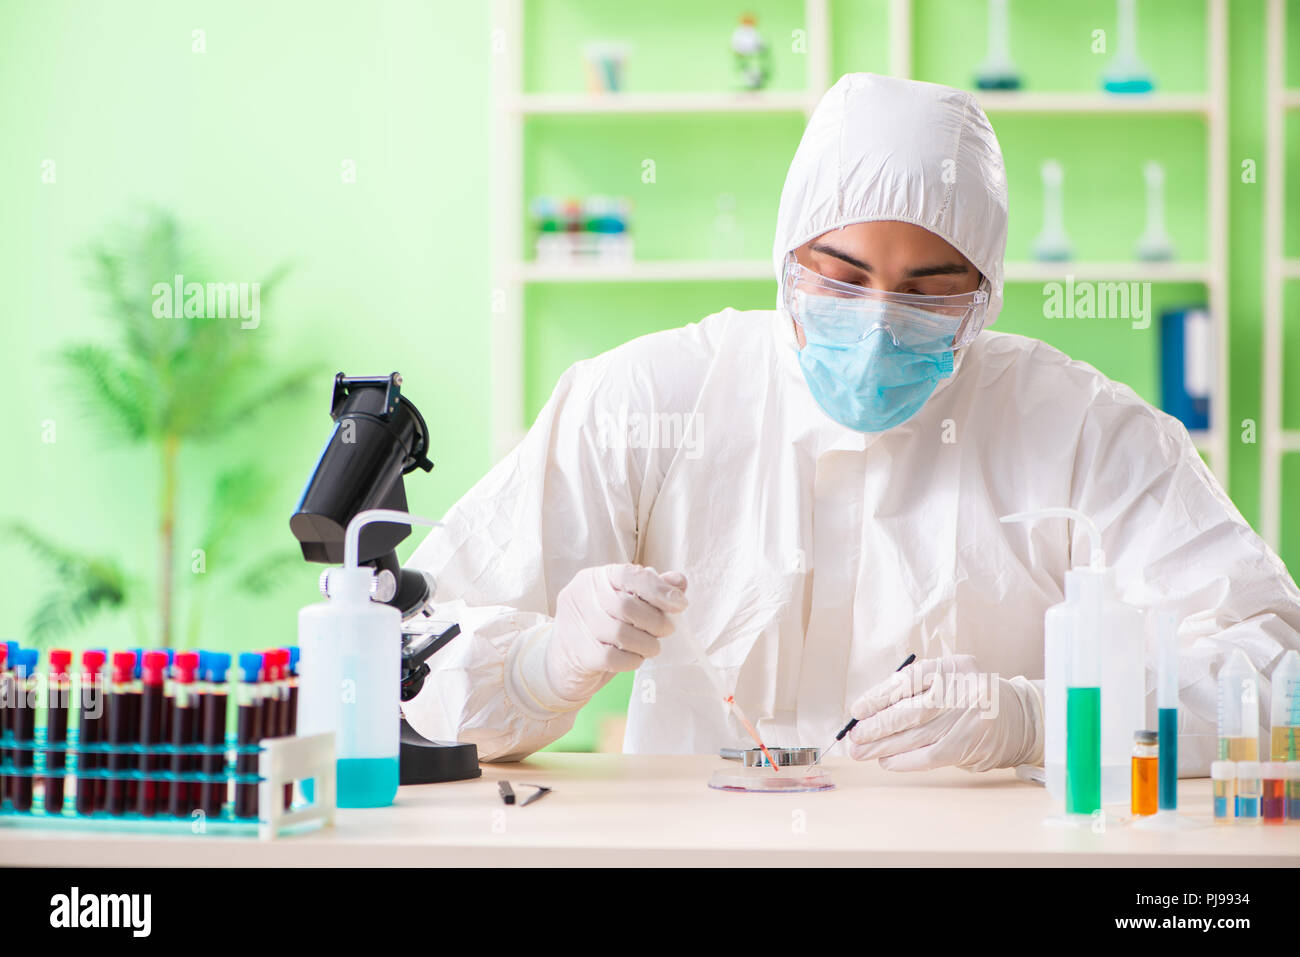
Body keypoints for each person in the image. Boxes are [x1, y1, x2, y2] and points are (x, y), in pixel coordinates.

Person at [405, 73, 1300, 772]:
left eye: (928, 290)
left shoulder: (1084, 433)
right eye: (840, 274)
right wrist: (538, 666)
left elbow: (1270, 666)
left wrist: (1041, 717)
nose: (876, 321)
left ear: (984, 297)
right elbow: (412, 654)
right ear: (786, 259)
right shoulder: (649, 400)